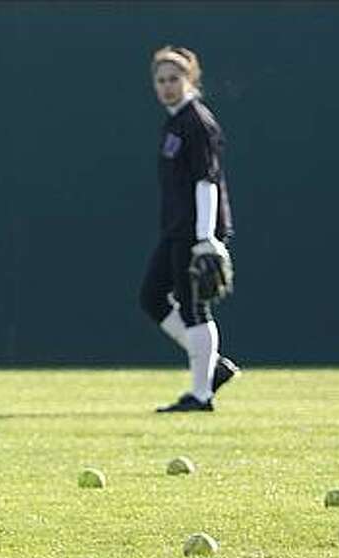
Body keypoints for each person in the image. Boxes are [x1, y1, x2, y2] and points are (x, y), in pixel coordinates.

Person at [139, 45, 240, 413]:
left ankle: (201, 395)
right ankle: (210, 366)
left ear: (190, 79)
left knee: (194, 308)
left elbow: (206, 181)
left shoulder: (197, 121)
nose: (167, 86)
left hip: (195, 233)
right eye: (161, 80)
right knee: (152, 297)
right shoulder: (175, 120)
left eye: (174, 78)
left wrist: (205, 237)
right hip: (176, 229)